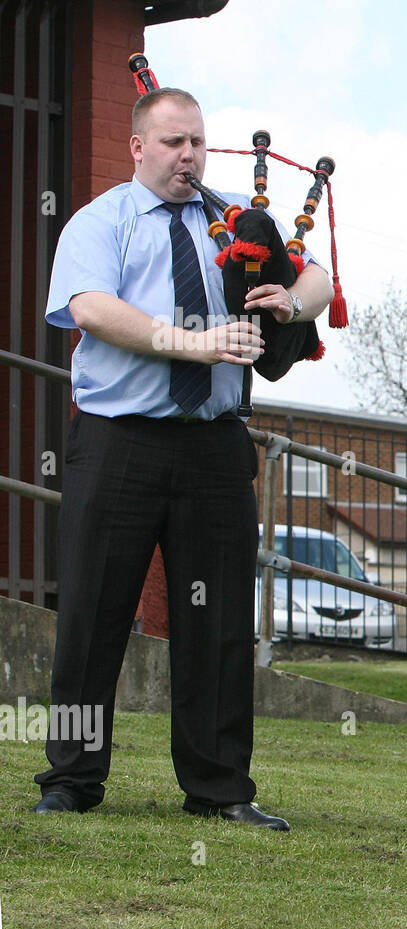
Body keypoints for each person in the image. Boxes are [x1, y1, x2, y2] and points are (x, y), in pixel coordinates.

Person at [33, 87, 332, 829]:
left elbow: (321, 277)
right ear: (138, 147)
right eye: (172, 143)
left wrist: (291, 302)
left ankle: (220, 787)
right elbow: (91, 307)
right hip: (118, 442)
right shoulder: (99, 222)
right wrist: (193, 342)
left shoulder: (235, 217)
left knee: (221, 621)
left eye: (197, 141)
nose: (189, 156)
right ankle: (71, 779)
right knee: (93, 615)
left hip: (214, 445)